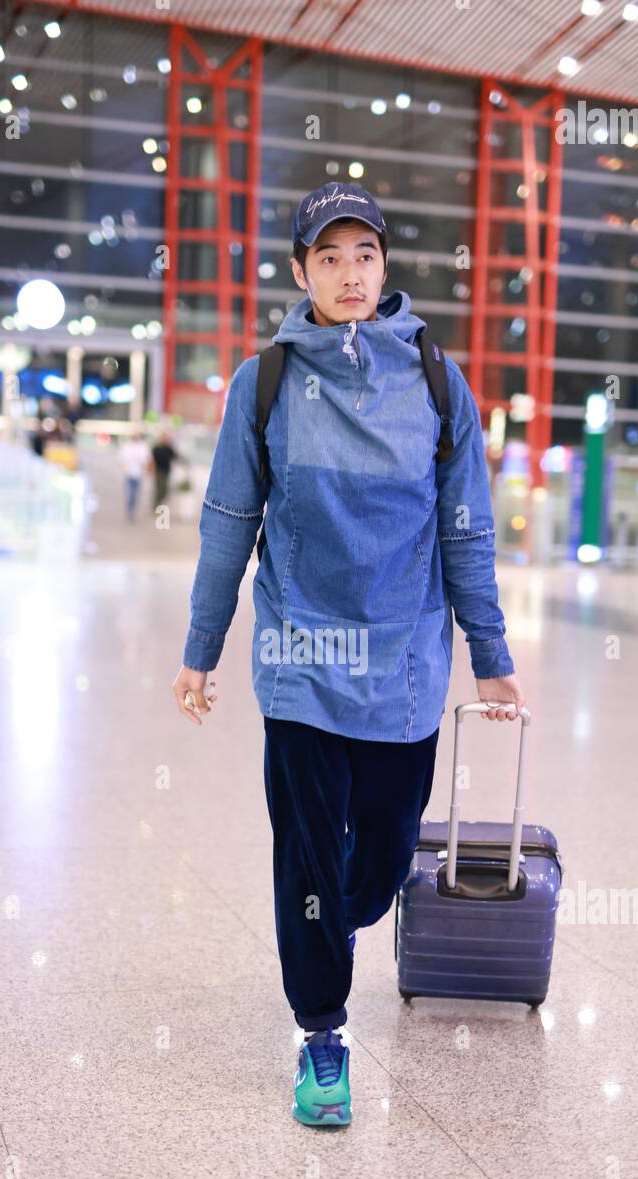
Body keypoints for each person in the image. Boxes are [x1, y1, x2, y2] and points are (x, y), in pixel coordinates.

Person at [173, 181, 525, 1126]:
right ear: (301, 274)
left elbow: (467, 534)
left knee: (376, 866)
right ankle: (321, 1036)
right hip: (297, 660)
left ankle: (350, 891)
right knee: (308, 867)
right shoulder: (268, 382)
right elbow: (227, 525)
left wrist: (489, 653)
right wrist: (201, 647)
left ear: (385, 266)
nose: (349, 273)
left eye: (363, 254)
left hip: (405, 666)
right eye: (327, 258)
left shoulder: (439, 384)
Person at [119, 432, 150, 522]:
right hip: (129, 473)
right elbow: (121, 458)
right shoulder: (126, 446)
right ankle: (130, 511)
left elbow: (146, 459)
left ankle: (133, 509)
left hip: (139, 473)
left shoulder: (142, 447)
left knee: (136, 494)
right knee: (130, 493)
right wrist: (124, 468)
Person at [150, 430, 179, 511]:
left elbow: (175, 456)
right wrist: (151, 470)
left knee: (165, 489)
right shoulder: (156, 448)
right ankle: (156, 505)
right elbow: (152, 460)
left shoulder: (168, 448)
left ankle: (159, 503)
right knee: (159, 489)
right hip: (158, 471)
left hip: (166, 471)